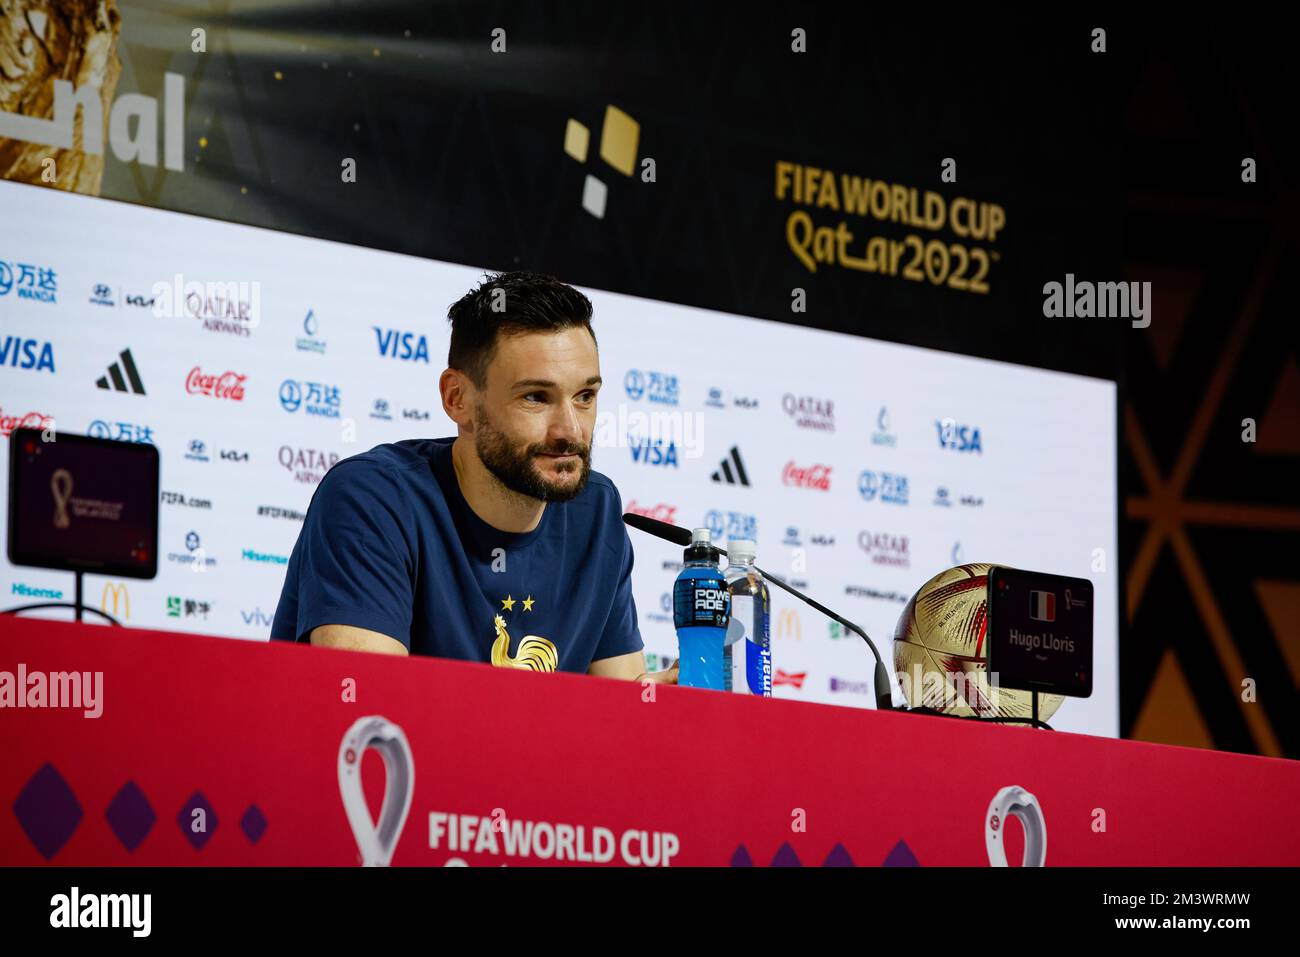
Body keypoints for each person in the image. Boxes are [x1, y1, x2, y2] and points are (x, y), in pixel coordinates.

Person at [270, 271, 677, 684]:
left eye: (585, 396)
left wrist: (662, 704)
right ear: (457, 399)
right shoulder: (372, 498)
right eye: (535, 397)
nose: (571, 430)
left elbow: (619, 706)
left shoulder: (595, 508)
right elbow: (373, 711)